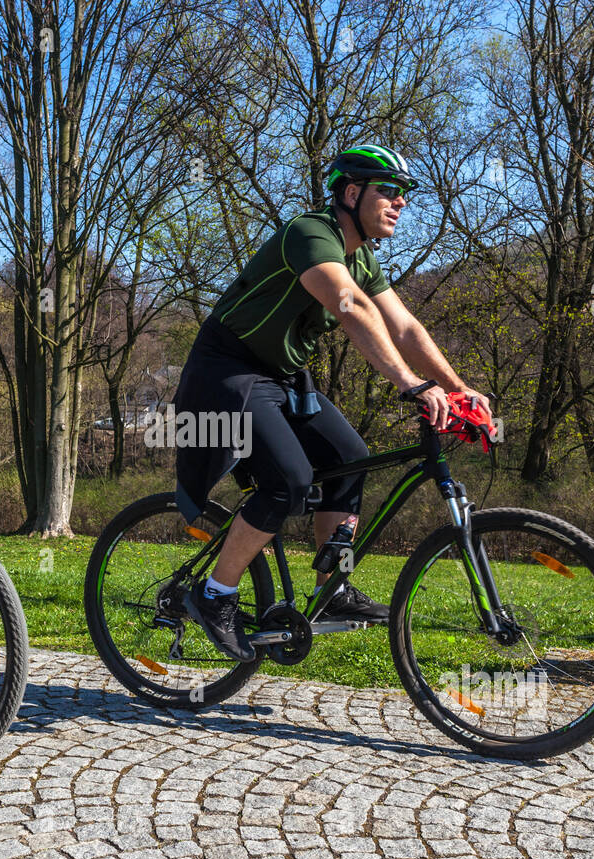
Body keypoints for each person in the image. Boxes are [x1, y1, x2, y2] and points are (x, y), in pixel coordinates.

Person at [172, 144, 493, 662]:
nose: (400, 203)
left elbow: (405, 326)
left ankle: (331, 588)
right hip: (227, 370)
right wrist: (411, 385)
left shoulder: (361, 257)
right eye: (387, 191)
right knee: (290, 481)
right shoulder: (310, 234)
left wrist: (457, 389)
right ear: (351, 193)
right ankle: (215, 595)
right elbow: (350, 306)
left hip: (281, 376)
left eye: (403, 195)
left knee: (348, 458)